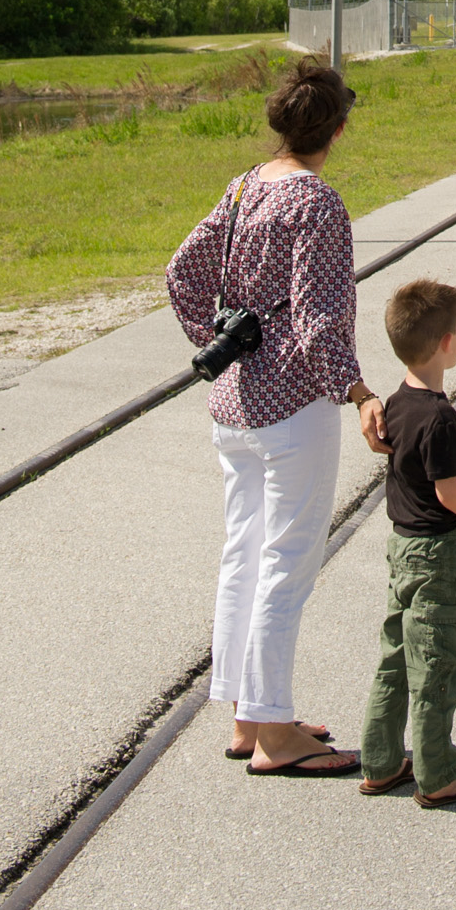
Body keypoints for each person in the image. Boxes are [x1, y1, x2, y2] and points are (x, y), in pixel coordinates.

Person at [167, 58, 386, 778]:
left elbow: (181, 272)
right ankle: (274, 734)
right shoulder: (317, 203)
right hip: (292, 409)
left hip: (234, 405)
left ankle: (247, 715)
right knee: (286, 565)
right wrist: (358, 393)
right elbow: (321, 320)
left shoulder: (243, 187)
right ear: (338, 129)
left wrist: (223, 342)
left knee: (244, 555)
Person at [360, 278, 456, 805]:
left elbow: (422, 474)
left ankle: (380, 762)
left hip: (403, 549)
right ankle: (439, 774)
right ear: (447, 344)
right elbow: (447, 494)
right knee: (437, 663)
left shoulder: (396, 404)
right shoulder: (441, 416)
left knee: (396, 657)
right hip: (441, 556)